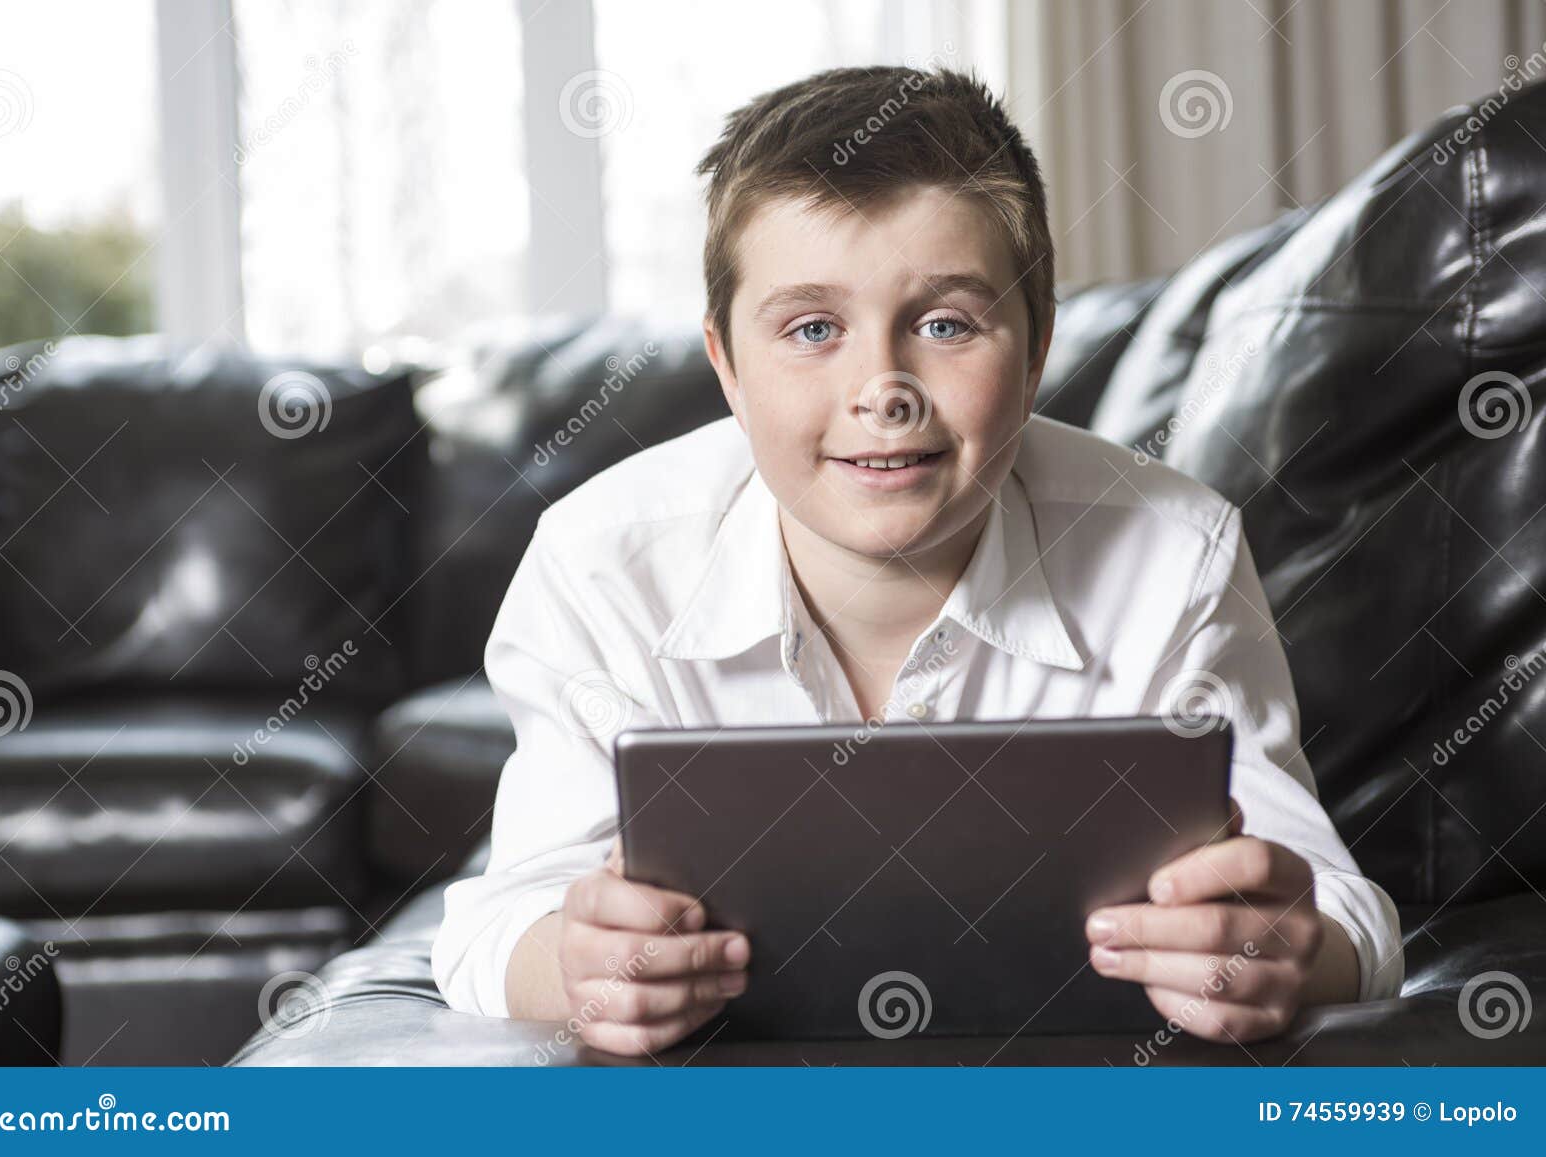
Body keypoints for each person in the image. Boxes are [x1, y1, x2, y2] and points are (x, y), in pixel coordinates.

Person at [433, 66, 1402, 1057]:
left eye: (944, 323)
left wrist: (1285, 950)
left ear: (1034, 353)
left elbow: (1335, 910)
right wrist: (576, 963)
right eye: (812, 329)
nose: (883, 389)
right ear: (725, 363)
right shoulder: (601, 558)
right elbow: (492, 922)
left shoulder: (1174, 549)